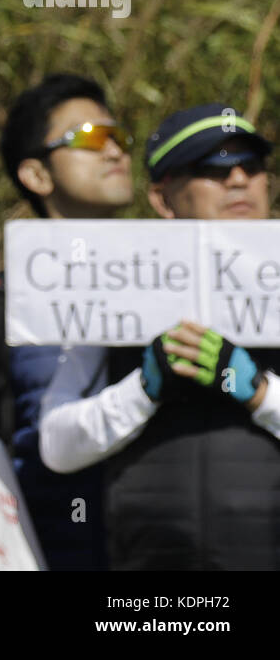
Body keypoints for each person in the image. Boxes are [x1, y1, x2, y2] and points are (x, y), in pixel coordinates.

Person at [39, 104, 280, 569]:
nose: (238, 180)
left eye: (252, 166)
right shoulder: (114, 287)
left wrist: (258, 391)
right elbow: (57, 446)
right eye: (212, 168)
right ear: (162, 199)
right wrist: (144, 389)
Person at [0, 73, 133, 569]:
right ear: (36, 176)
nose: (114, 153)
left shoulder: (177, 283)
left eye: (118, 137)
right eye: (89, 137)